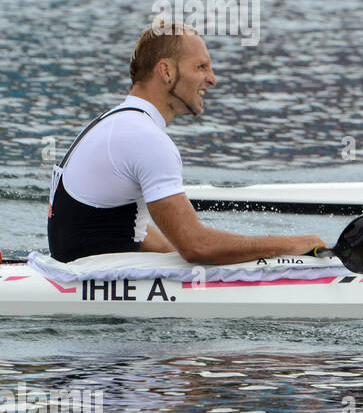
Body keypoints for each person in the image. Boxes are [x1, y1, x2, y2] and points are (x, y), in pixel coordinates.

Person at [47, 22, 326, 263]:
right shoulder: (146, 139)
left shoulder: (113, 122)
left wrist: (223, 258)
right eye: (201, 66)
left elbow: (133, 230)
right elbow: (196, 247)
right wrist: (292, 246)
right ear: (166, 71)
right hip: (91, 290)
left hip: (79, 274)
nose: (212, 79)